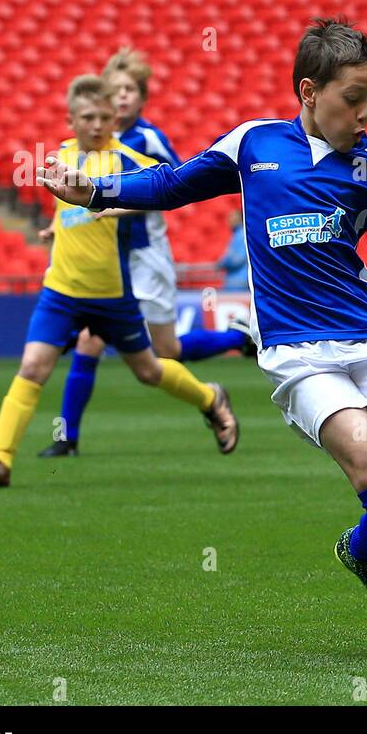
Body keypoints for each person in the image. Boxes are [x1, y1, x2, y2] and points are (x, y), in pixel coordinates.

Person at [38, 19, 367, 668]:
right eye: (353, 98)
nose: (365, 112)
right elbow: (173, 183)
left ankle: (365, 550)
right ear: (308, 90)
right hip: (297, 355)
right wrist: (96, 188)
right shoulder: (254, 146)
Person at [0, 74, 239, 490]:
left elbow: (163, 193)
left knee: (148, 370)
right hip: (62, 290)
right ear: (70, 120)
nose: (97, 125)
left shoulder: (127, 159)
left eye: (104, 117)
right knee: (33, 366)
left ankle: (209, 398)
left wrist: (110, 204)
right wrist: (56, 229)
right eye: (88, 117)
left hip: (112, 294)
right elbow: (67, 210)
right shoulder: (60, 158)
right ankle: (1, 462)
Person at [41, 48, 253, 459]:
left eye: (130, 90)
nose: (121, 98)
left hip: (147, 254)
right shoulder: (98, 139)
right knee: (89, 342)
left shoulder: (148, 139)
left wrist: (109, 202)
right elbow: (77, 198)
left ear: (142, 97)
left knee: (165, 352)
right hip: (112, 264)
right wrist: (59, 223)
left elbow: (175, 186)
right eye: (115, 89)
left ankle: (236, 341)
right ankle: (66, 439)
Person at [218, 209, 249, 290]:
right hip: (233, 280)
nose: (229, 220)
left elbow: (237, 259)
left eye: (232, 217)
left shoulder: (242, 234)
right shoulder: (236, 234)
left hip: (239, 281)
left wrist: (222, 263)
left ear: (240, 219)